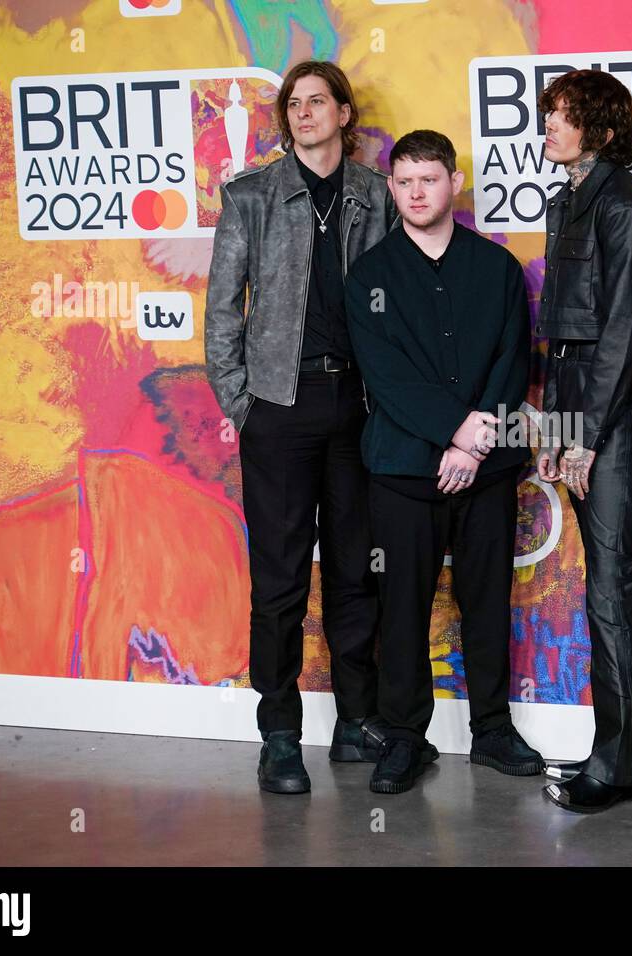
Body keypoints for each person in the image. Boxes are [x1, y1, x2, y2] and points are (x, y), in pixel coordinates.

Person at [204, 60, 401, 795]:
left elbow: (398, 298)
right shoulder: (252, 196)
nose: (304, 112)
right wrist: (241, 402)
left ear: (346, 115)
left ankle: (356, 721)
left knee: (356, 571)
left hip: (356, 407)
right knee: (281, 578)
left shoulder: (375, 197)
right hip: (279, 409)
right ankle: (279, 733)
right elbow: (223, 308)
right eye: (294, 103)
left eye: (319, 101)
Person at [345, 129, 544, 795]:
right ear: (392, 188)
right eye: (404, 182)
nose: (416, 192)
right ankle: (405, 737)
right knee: (402, 604)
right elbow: (387, 375)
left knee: (486, 599)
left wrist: (474, 441)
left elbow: (512, 361)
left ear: (453, 183)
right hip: (403, 469)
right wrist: (454, 432)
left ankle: (491, 730)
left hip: (485, 468)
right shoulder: (370, 277)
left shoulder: (496, 269)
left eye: (428, 179)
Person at [532, 69, 632, 813]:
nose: (548, 128)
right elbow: (566, 339)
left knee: (613, 587)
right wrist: (557, 430)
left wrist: (587, 437)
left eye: (562, 116)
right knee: (615, 583)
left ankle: (621, 762)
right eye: (549, 116)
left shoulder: (625, 208)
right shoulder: (570, 201)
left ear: (600, 126)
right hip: (581, 415)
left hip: (615, 424)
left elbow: (624, 333)